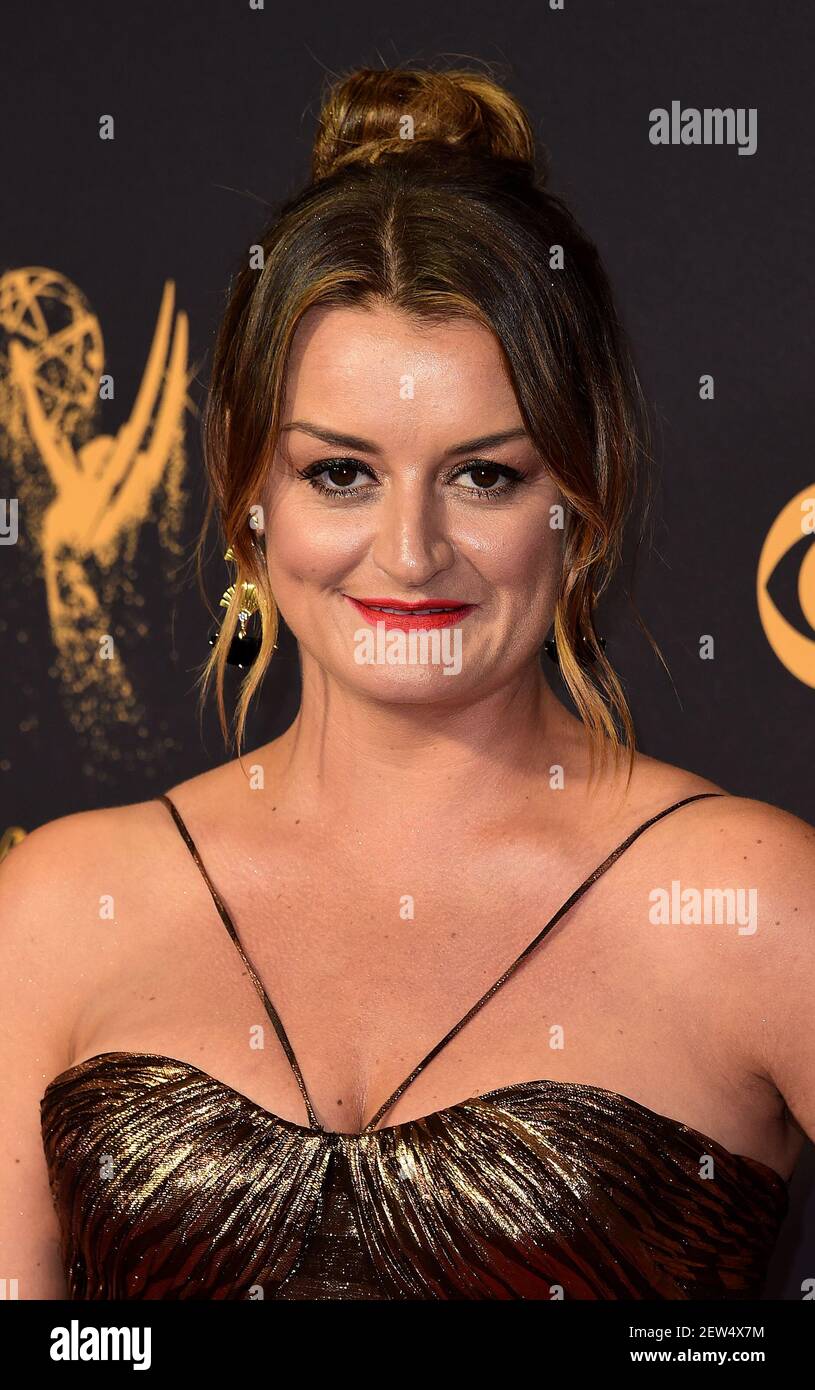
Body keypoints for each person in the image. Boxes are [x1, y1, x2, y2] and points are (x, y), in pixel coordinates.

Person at [2, 65, 813, 1300]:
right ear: (249, 494)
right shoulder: (57, 908)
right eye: (340, 474)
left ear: (579, 495)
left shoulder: (747, 904)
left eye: (484, 475)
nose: (411, 551)